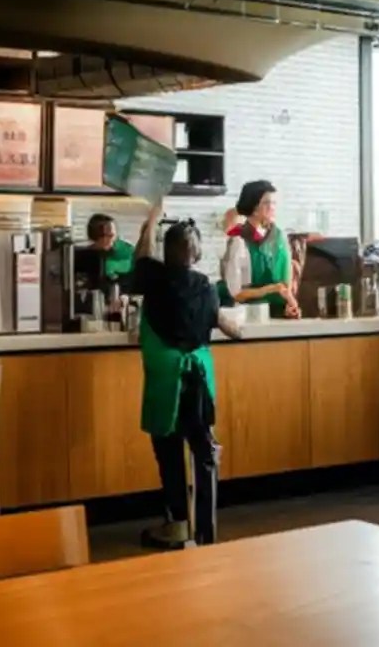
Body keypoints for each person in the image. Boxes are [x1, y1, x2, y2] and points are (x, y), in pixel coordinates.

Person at [132, 199, 242, 548]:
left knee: (168, 451)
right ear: (195, 255)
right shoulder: (206, 288)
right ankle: (206, 531)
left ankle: (177, 523)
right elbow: (227, 326)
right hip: (197, 382)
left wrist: (152, 220)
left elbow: (141, 254)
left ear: (167, 252)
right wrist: (234, 326)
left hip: (166, 383)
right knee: (204, 451)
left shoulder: (153, 277)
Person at [219, 180, 300, 318]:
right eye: (267, 203)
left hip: (280, 314)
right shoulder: (239, 242)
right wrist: (268, 289)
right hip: (249, 315)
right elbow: (237, 294)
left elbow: (286, 285)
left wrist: (291, 304)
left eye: (274, 203)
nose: (272, 207)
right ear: (254, 208)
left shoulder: (280, 237)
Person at [87, 213, 135, 283]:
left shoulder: (127, 251)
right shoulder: (85, 257)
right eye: (111, 236)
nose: (114, 239)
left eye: (113, 236)